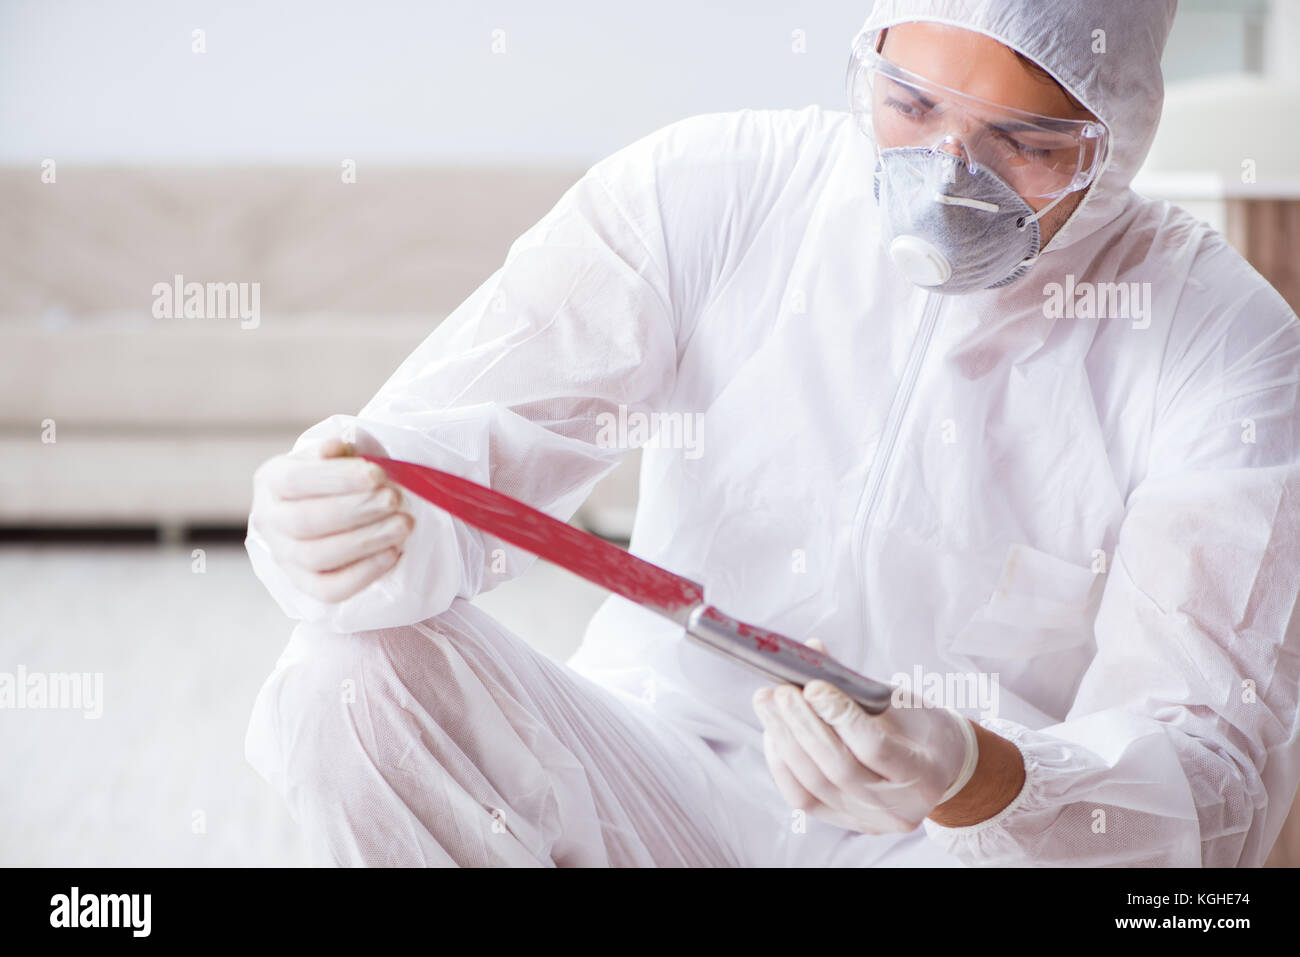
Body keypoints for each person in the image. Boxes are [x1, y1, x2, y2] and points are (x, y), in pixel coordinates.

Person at [243, 0, 1300, 867]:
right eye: (911, 103)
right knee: (348, 675)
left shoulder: (1221, 344)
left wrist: (978, 774)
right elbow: (439, 456)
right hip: (656, 763)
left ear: (1114, 145)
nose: (943, 179)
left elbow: (1215, 783)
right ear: (867, 63)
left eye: (1022, 145)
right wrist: (343, 522)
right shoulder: (710, 191)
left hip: (956, 845)